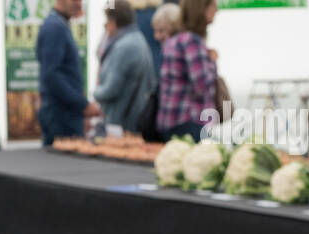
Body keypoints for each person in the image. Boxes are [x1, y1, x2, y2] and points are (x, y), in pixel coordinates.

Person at [36, 0, 100, 147]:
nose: (79, 4)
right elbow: (51, 75)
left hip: (64, 113)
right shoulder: (55, 28)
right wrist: (82, 105)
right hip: (61, 115)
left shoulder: (59, 25)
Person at [157, 0, 217, 141]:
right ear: (202, 9)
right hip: (188, 123)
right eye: (213, 6)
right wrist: (212, 63)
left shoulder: (174, 41)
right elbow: (201, 86)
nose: (217, 10)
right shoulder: (192, 42)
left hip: (170, 121)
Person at [93, 1, 156, 135]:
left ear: (113, 22)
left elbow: (111, 89)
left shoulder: (124, 46)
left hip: (120, 125)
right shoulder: (137, 40)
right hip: (131, 121)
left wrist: (95, 93)